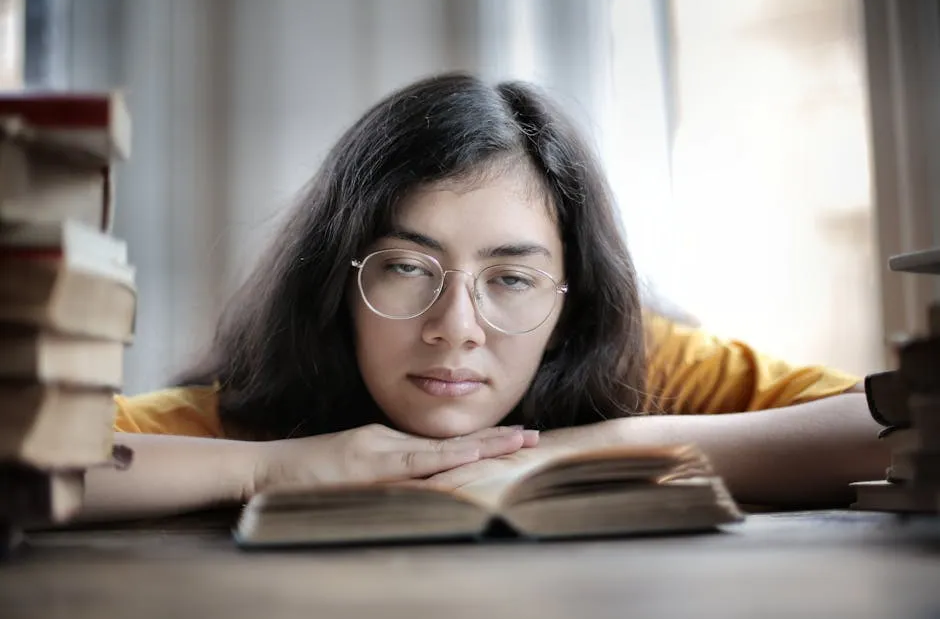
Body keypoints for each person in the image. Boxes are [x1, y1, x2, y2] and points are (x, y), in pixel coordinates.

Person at [82, 72, 888, 522]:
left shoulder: (634, 355)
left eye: (510, 278)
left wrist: (597, 449)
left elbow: (895, 422)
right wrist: (279, 467)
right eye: (407, 267)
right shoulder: (259, 412)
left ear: (568, 298)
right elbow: (34, 461)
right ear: (339, 281)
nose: (455, 328)